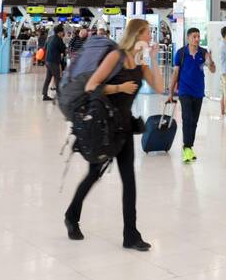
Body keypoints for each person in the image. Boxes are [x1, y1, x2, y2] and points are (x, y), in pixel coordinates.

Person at [64, 18, 165, 250]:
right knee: (93, 175)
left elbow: (159, 87)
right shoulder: (116, 56)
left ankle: (131, 235)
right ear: (137, 34)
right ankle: (71, 215)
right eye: (148, 33)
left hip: (124, 127)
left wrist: (153, 58)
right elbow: (91, 85)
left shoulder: (139, 62)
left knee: (129, 180)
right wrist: (119, 88)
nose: (150, 37)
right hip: (103, 127)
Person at [167, 27, 213, 164]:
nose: (197, 39)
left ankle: (189, 147)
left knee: (194, 121)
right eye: (194, 36)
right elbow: (175, 73)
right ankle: (186, 148)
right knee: (187, 119)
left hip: (198, 92)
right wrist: (170, 93)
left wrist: (210, 61)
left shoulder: (203, 52)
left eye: (198, 36)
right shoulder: (181, 53)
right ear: (188, 38)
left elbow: (213, 69)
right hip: (184, 91)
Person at [41, 24, 66, 102]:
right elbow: (63, 49)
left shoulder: (50, 38)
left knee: (48, 78)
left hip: (47, 61)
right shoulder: (58, 39)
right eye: (63, 32)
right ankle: (60, 96)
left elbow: (44, 47)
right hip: (53, 62)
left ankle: (44, 94)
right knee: (57, 78)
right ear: (59, 32)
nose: (63, 33)